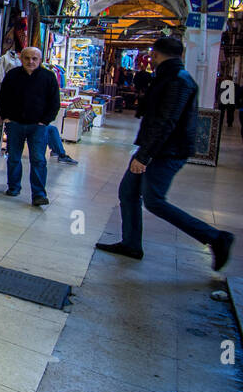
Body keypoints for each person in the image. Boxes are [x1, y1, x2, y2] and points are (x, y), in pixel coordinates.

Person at [97, 37, 234, 269]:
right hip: (156, 148)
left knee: (154, 201)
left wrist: (144, 156)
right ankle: (131, 243)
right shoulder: (170, 77)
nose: (150, 58)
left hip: (166, 151)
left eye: (152, 54)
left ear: (157, 54)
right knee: (128, 193)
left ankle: (216, 237)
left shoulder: (178, 81)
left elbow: (166, 120)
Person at [0, 46, 61, 206]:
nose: (30, 61)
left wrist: (45, 121)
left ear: (40, 60)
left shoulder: (48, 77)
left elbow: (54, 102)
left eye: (34, 58)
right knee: (13, 158)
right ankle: (13, 187)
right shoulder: (13, 75)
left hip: (38, 126)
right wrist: (6, 117)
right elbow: (3, 97)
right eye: (27, 58)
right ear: (21, 59)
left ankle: (38, 194)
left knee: (38, 159)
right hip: (15, 124)